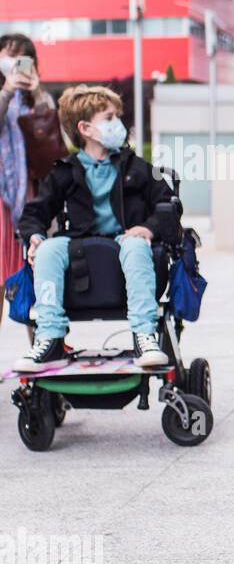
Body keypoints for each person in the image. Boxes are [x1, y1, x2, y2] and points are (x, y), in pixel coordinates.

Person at [13, 85, 175, 372]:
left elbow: (169, 204)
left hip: (125, 241)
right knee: (48, 249)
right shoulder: (65, 170)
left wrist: (149, 229)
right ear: (85, 128)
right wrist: (35, 236)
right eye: (109, 117)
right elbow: (35, 212)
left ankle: (144, 335)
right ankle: (50, 337)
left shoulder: (136, 166)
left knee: (137, 244)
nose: (118, 124)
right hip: (81, 243)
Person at [0, 34, 57, 336]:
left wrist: (36, 91)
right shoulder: (4, 93)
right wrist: (8, 90)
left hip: (31, 196)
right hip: (2, 197)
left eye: (22, 57)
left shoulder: (37, 98)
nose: (14, 61)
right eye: (9, 55)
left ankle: (41, 348)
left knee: (38, 273)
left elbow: (52, 138)